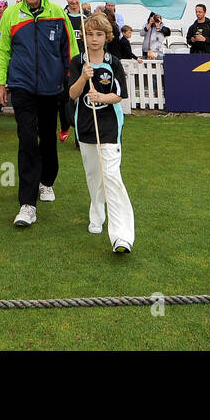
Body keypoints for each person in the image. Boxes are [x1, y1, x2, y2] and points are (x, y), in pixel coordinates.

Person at [0, 0, 80, 228]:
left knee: (48, 139)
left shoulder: (57, 13)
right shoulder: (9, 15)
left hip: (52, 88)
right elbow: (1, 52)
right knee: (27, 140)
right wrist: (0, 82)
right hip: (22, 87)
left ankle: (47, 181)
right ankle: (27, 203)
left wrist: (71, 79)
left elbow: (70, 50)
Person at [68, 14, 134, 254]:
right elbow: (73, 94)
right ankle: (96, 214)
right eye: (89, 34)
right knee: (94, 177)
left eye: (98, 34)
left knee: (112, 178)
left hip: (109, 127)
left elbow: (120, 95)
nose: (94, 39)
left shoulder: (113, 62)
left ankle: (121, 236)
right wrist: (83, 78)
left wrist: (102, 97)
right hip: (85, 126)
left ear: (106, 37)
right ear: (84, 37)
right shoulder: (78, 62)